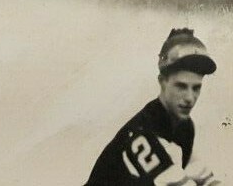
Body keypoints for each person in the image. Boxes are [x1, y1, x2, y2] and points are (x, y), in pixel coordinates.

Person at [83, 29, 223, 186]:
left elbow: (204, 177)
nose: (190, 98)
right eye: (181, 86)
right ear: (162, 81)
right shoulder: (143, 133)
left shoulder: (184, 127)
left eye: (196, 88)